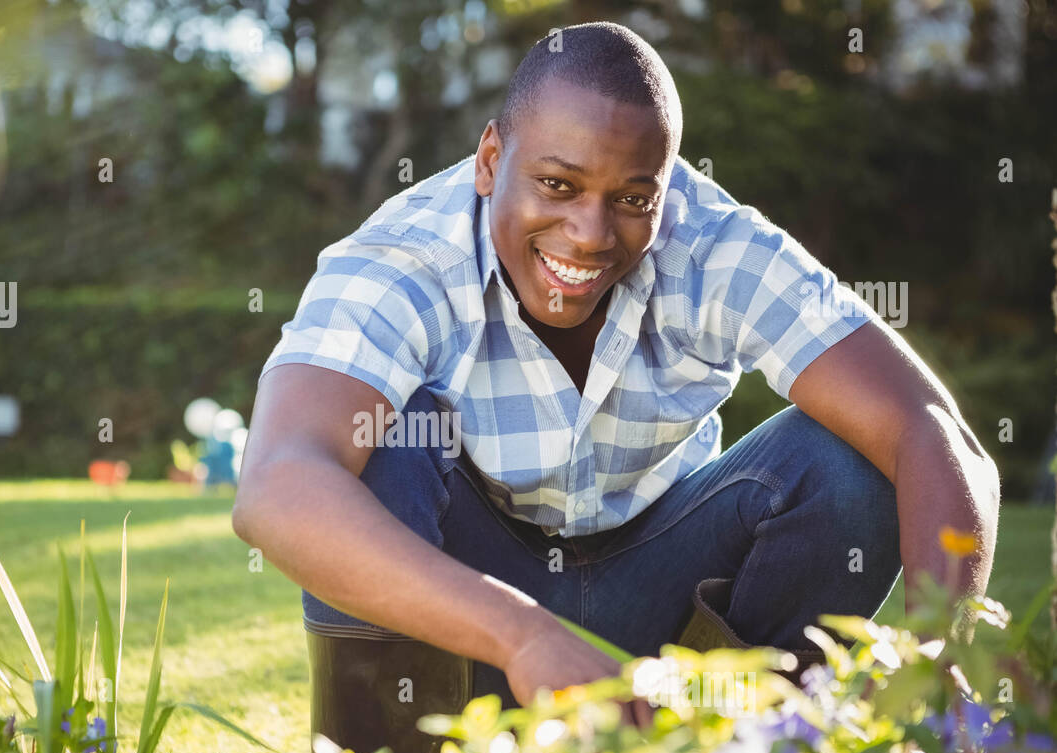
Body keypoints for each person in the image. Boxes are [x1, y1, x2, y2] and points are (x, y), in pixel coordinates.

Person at [233, 22, 999, 716]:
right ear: (491, 159)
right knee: (378, 442)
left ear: (667, 189)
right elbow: (277, 487)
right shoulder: (403, 261)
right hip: (464, 630)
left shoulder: (714, 245)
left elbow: (935, 433)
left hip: (662, 601)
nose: (591, 235)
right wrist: (524, 635)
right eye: (557, 186)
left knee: (845, 461)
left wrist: (939, 657)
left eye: (633, 198)